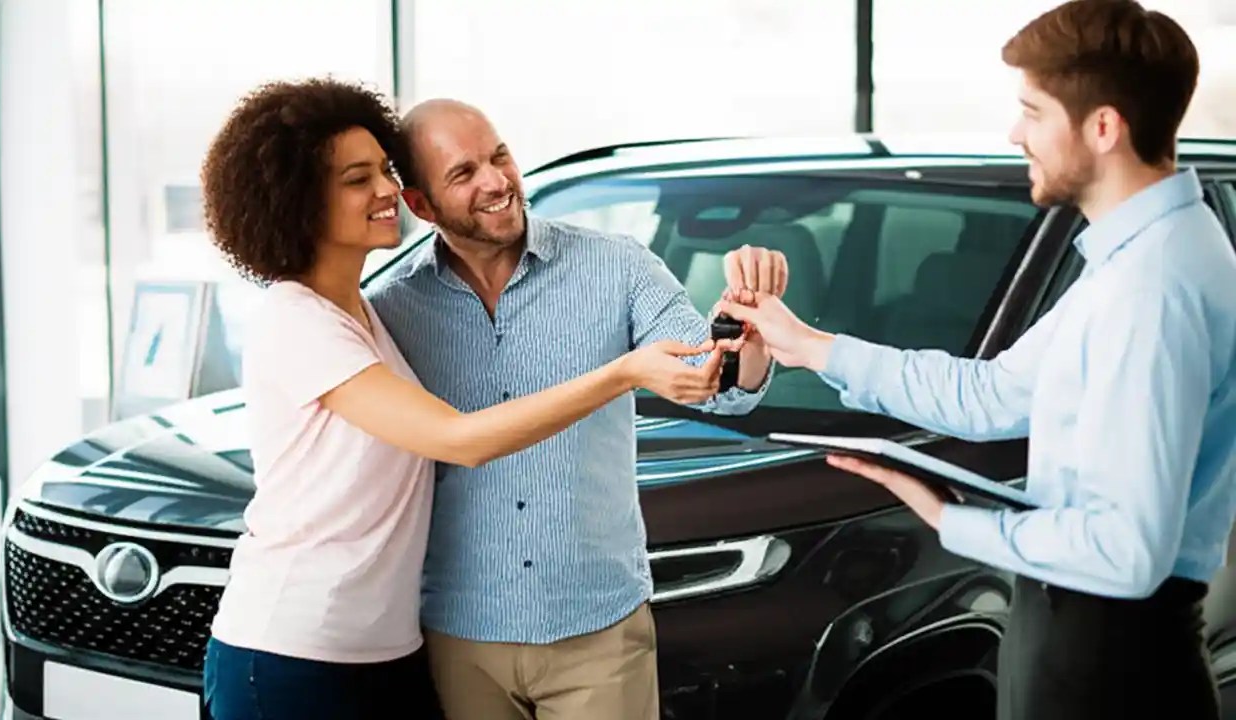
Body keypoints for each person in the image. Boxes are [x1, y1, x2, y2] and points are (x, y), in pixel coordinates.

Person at [715, 2, 1236, 719]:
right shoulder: (1142, 258)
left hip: (1110, 658)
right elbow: (991, 394)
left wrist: (956, 521)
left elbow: (1126, 550)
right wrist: (807, 345)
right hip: (1093, 636)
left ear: (1104, 127)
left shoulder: (1153, 288)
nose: (1017, 133)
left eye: (1032, 111)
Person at [197, 78, 738, 720]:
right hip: (297, 648)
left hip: (387, 650)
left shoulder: (365, 315)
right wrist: (621, 374)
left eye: (382, 172)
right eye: (356, 179)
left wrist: (740, 337)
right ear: (298, 202)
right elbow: (459, 438)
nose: (385, 191)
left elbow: (713, 373)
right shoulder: (304, 321)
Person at [367, 98, 787, 719]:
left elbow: (712, 382)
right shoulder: (391, 311)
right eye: (464, 173)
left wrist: (744, 333)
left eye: (499, 155)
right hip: (457, 636)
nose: (497, 181)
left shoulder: (616, 267)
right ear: (421, 205)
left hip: (597, 631)